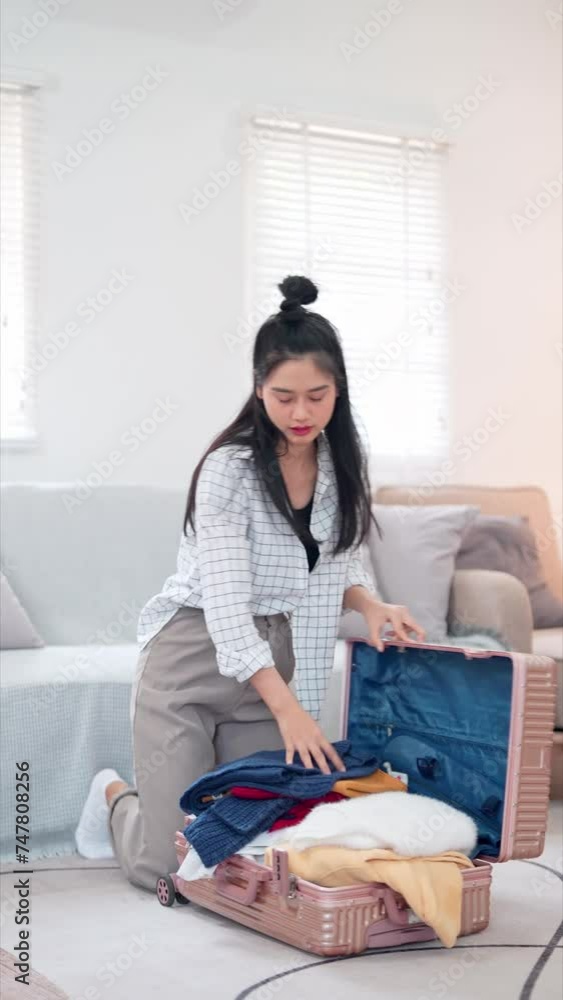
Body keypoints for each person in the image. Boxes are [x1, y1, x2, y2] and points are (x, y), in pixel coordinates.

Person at [75, 275, 425, 891]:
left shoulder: (339, 466)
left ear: (338, 389)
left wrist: (368, 603)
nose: (300, 413)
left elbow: (338, 560)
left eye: (317, 396)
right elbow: (228, 611)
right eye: (283, 395)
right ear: (259, 389)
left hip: (274, 656)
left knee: (253, 840)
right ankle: (111, 794)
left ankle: (190, 798)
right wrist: (290, 712)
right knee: (168, 868)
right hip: (196, 652)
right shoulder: (227, 471)